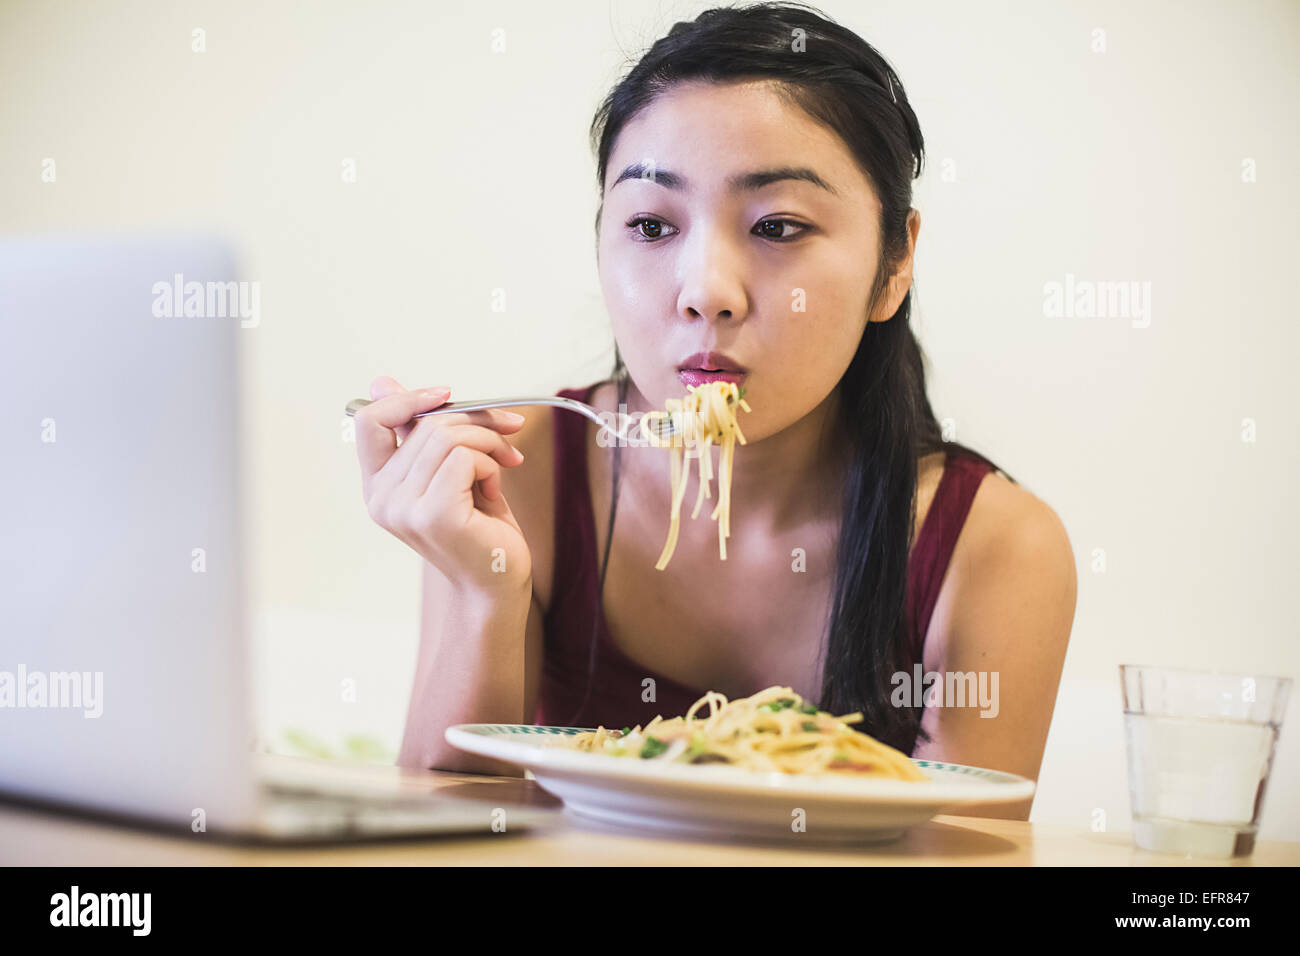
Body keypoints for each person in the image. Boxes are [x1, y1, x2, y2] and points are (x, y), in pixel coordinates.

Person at [354, 2, 1076, 820]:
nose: (706, 292)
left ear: (895, 261)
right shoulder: (520, 471)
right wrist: (484, 586)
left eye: (778, 225)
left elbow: (963, 851)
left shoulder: (992, 547)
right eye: (652, 224)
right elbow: (440, 832)